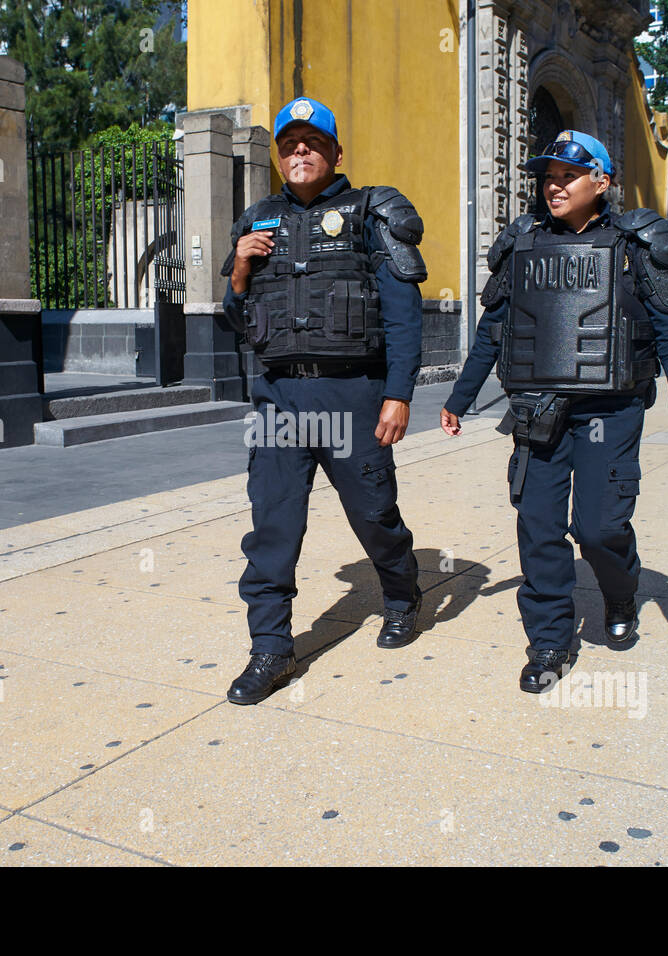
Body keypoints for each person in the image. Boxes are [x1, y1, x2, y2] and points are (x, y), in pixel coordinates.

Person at [439, 130, 668, 693]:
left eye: (567, 176)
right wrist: (458, 400)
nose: (554, 186)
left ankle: (619, 591)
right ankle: (550, 641)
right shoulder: (523, 243)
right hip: (538, 409)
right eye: (548, 177)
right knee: (537, 527)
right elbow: (493, 331)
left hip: (610, 409)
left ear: (601, 182)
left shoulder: (636, 246)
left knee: (599, 527)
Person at [220, 97, 428, 704]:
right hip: (279, 398)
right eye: (289, 144)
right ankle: (271, 650)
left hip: (354, 395)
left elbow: (403, 315)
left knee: (374, 516)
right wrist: (237, 272)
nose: (300, 152)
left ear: (336, 152)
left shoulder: (372, 212)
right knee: (272, 526)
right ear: (279, 157)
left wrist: (398, 395)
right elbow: (238, 317)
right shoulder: (256, 221)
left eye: (312, 142)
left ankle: (400, 593)